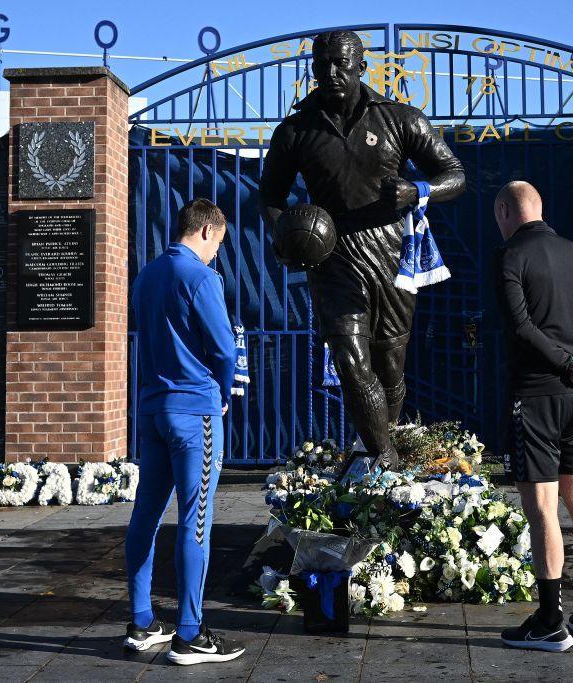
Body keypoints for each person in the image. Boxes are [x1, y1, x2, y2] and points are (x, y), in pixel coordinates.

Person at [259, 30, 465, 469]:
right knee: (351, 361)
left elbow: (454, 174)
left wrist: (418, 190)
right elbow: (270, 197)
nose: (330, 72)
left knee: (389, 363)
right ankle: (384, 458)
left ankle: (382, 449)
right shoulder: (296, 130)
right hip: (331, 255)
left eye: (340, 63)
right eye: (321, 65)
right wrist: (285, 235)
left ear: (359, 67)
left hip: (392, 254)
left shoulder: (400, 119)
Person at [493, 181, 573, 652]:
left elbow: (520, 327)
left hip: (538, 396)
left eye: (497, 215)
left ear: (505, 211)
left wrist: (570, 361)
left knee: (542, 508)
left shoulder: (509, 257)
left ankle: (549, 621)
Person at [123, 198, 246, 665]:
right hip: (195, 412)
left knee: (146, 516)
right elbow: (224, 348)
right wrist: (219, 394)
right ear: (207, 231)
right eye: (219, 243)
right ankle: (190, 634)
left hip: (153, 410)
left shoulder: (147, 276)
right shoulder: (200, 276)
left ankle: (141, 622)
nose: (218, 253)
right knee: (196, 520)